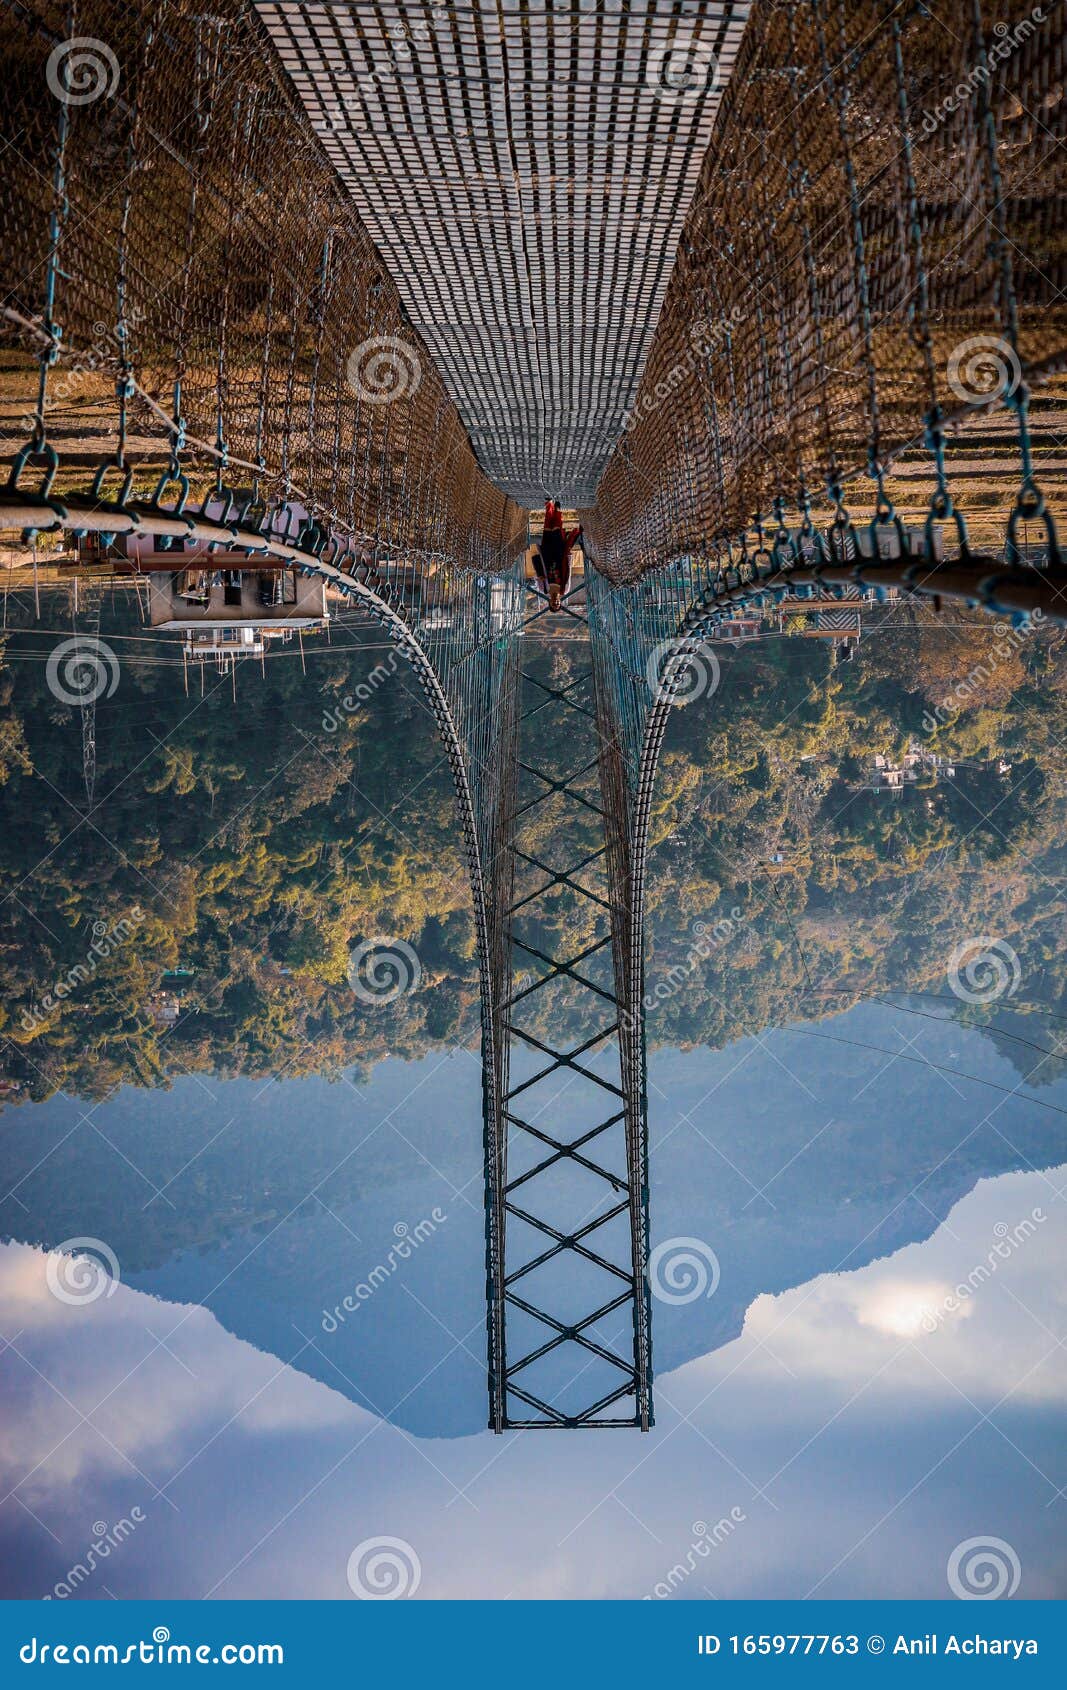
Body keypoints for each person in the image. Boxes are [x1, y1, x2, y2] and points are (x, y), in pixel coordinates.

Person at [537, 499, 582, 611]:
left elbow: (538, 574)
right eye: (558, 604)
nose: (556, 602)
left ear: (549, 602)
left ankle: (549, 506)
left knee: (547, 529)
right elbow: (568, 573)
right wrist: (568, 557)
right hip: (559, 556)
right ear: (560, 602)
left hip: (547, 556)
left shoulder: (544, 589)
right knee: (556, 529)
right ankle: (556, 509)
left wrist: (540, 577)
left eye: (553, 604)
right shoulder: (564, 589)